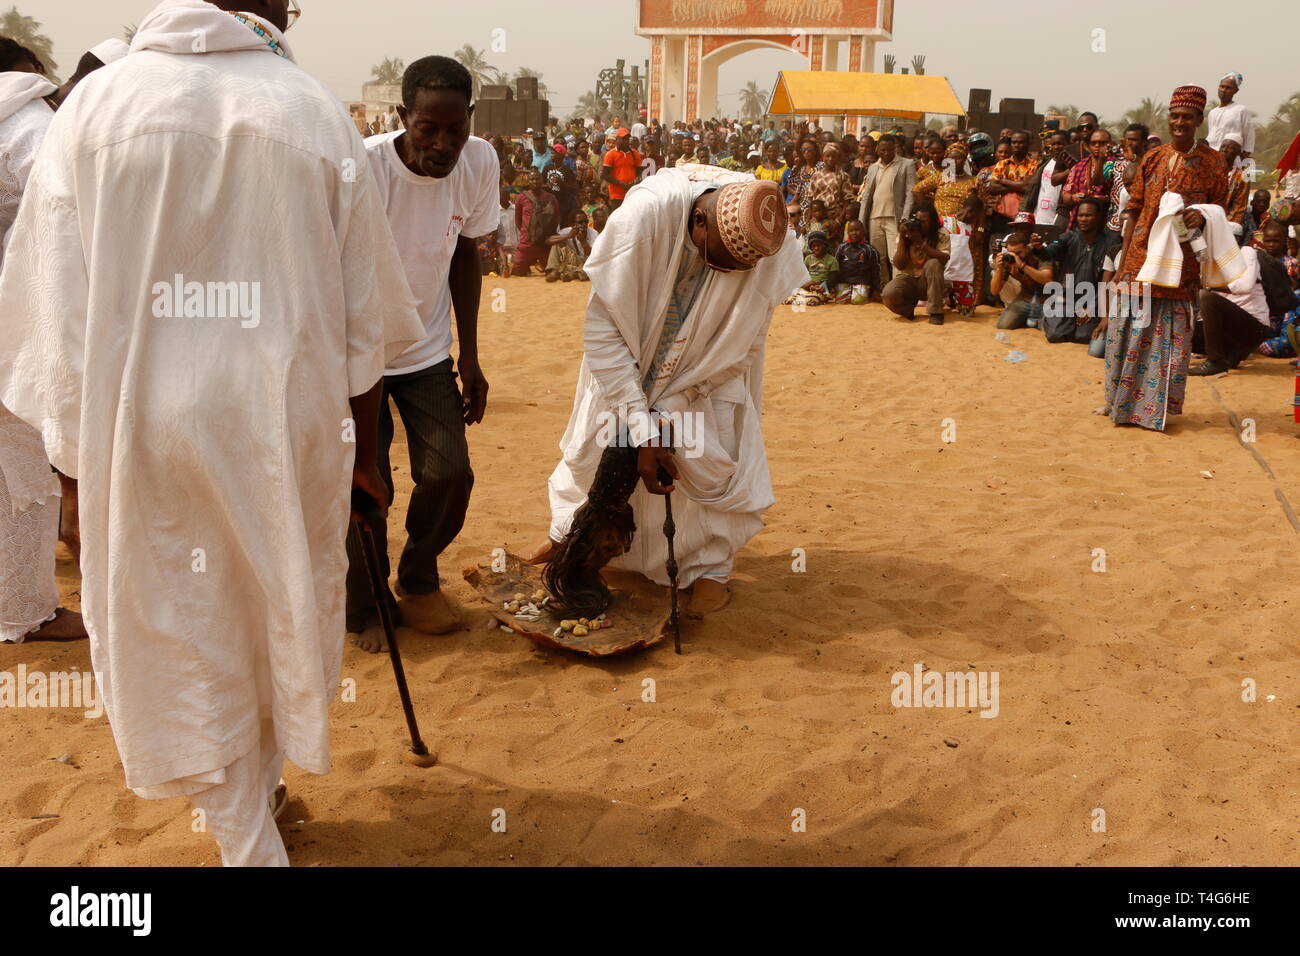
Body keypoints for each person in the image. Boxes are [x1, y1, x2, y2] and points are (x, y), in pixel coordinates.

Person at [0, 0, 425, 866]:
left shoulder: (93, 108)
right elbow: (363, 324)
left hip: (139, 424)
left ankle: (248, 805)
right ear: (265, 9)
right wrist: (370, 454)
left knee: (180, 622)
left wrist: (77, 474)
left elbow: (57, 321)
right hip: (283, 419)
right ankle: (248, 839)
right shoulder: (311, 110)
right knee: (271, 604)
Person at [528, 173, 805, 618]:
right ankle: (571, 535)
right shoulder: (645, 218)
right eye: (719, 262)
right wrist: (642, 425)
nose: (727, 276)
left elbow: (743, 344)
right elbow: (605, 331)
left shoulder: (767, 236)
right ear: (699, 221)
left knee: (712, 456)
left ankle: (711, 569)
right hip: (629, 355)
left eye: (738, 271)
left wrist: (670, 409)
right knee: (597, 443)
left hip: (707, 369)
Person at [347, 56, 494, 650]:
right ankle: (368, 601)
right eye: (427, 128)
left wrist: (471, 356)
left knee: (450, 472)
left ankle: (417, 574)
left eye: (455, 129)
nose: (442, 143)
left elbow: (465, 254)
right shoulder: (366, 167)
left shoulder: (479, 161)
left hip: (427, 350)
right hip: (358, 355)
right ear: (403, 116)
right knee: (365, 480)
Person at [0, 38, 124, 644]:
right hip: (14, 327)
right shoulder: (30, 124)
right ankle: (27, 611)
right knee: (28, 472)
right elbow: (66, 213)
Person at [1105, 85, 1228, 432]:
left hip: (1182, 261)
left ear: (1199, 120)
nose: (1179, 122)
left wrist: (1202, 215)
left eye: (1186, 117)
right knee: (1127, 331)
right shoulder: (1153, 157)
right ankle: (1120, 405)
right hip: (1140, 258)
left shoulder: (1214, 163)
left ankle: (1152, 410)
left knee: (1166, 335)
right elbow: (1133, 209)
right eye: (1174, 116)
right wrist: (1124, 259)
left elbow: (1222, 210)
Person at [1189, 230, 1295, 376]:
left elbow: (1245, 286)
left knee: (1207, 297)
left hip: (1254, 326)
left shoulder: (1246, 252)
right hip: (1231, 327)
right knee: (1185, 332)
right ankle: (1232, 354)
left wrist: (1206, 285)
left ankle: (1215, 361)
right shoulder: (1210, 260)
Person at [1032, 197, 1121, 346]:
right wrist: (1038, 248)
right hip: (1066, 298)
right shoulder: (1068, 237)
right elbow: (1048, 253)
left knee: (1083, 337)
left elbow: (1108, 282)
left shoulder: (1109, 242)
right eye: (1080, 215)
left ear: (1099, 217)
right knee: (1055, 335)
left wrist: (1093, 307)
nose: (1083, 219)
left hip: (1093, 300)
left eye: (1088, 215)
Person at [858, 134, 916, 284]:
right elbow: (866, 197)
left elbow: (910, 193)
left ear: (895, 149)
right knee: (878, 257)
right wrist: (861, 221)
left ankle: (898, 289)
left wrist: (905, 217)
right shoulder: (872, 168)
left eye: (890, 150)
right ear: (877, 149)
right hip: (874, 218)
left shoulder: (906, 164)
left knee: (895, 257)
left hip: (895, 218)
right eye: (883, 150)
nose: (886, 153)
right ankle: (883, 288)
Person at [882, 202, 950, 325]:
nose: (920, 225)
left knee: (934, 263)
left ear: (932, 222)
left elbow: (944, 258)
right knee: (888, 294)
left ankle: (936, 312)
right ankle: (908, 310)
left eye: (924, 222)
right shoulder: (907, 231)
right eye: (918, 220)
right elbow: (899, 264)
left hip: (929, 282)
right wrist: (903, 238)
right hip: (908, 279)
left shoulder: (941, 233)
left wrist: (921, 243)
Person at [990, 232, 1051, 330]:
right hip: (1025, 299)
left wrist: (1022, 265)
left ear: (1026, 248)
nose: (1016, 256)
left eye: (1018, 253)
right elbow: (994, 291)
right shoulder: (1009, 260)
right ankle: (1027, 319)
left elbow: (1047, 279)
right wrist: (999, 269)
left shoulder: (1040, 254)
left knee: (1047, 330)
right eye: (1012, 253)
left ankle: (1034, 320)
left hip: (1047, 301)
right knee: (1003, 325)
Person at [1061, 127, 1114, 228]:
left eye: (1102, 143)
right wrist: (1073, 197)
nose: (1097, 146)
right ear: (1089, 146)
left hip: (1107, 222)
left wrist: (1105, 199)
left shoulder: (1118, 164)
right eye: (1093, 143)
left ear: (1109, 144)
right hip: (1081, 222)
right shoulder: (1079, 166)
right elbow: (1066, 196)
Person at [513, 168, 557, 275]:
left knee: (551, 272)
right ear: (528, 181)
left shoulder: (551, 198)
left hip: (545, 244)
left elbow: (556, 219)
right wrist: (527, 232)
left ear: (542, 180)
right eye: (532, 179)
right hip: (526, 243)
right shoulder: (521, 197)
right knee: (517, 272)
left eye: (537, 179)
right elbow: (518, 220)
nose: (535, 182)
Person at [832, 218, 881, 304]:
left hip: (862, 282)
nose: (854, 233)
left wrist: (876, 289)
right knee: (841, 301)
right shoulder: (841, 248)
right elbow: (835, 268)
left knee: (857, 301)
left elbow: (875, 270)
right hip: (844, 281)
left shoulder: (870, 250)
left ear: (863, 231)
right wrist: (832, 285)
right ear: (848, 232)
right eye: (851, 230)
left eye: (857, 230)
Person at [1206, 72, 1254, 158]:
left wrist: (1245, 157)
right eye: (1222, 86)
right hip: (1212, 156)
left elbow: (1249, 136)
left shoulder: (1241, 110)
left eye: (1228, 88)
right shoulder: (1212, 112)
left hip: (1232, 158)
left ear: (1235, 91)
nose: (1224, 90)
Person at [546, 209, 597, 282]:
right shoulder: (567, 231)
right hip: (571, 261)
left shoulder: (593, 233)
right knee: (557, 244)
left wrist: (583, 242)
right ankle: (553, 271)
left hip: (586, 263)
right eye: (580, 222)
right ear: (572, 224)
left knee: (593, 269)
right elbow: (548, 241)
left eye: (586, 221)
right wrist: (568, 236)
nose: (584, 224)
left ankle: (573, 275)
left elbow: (594, 256)